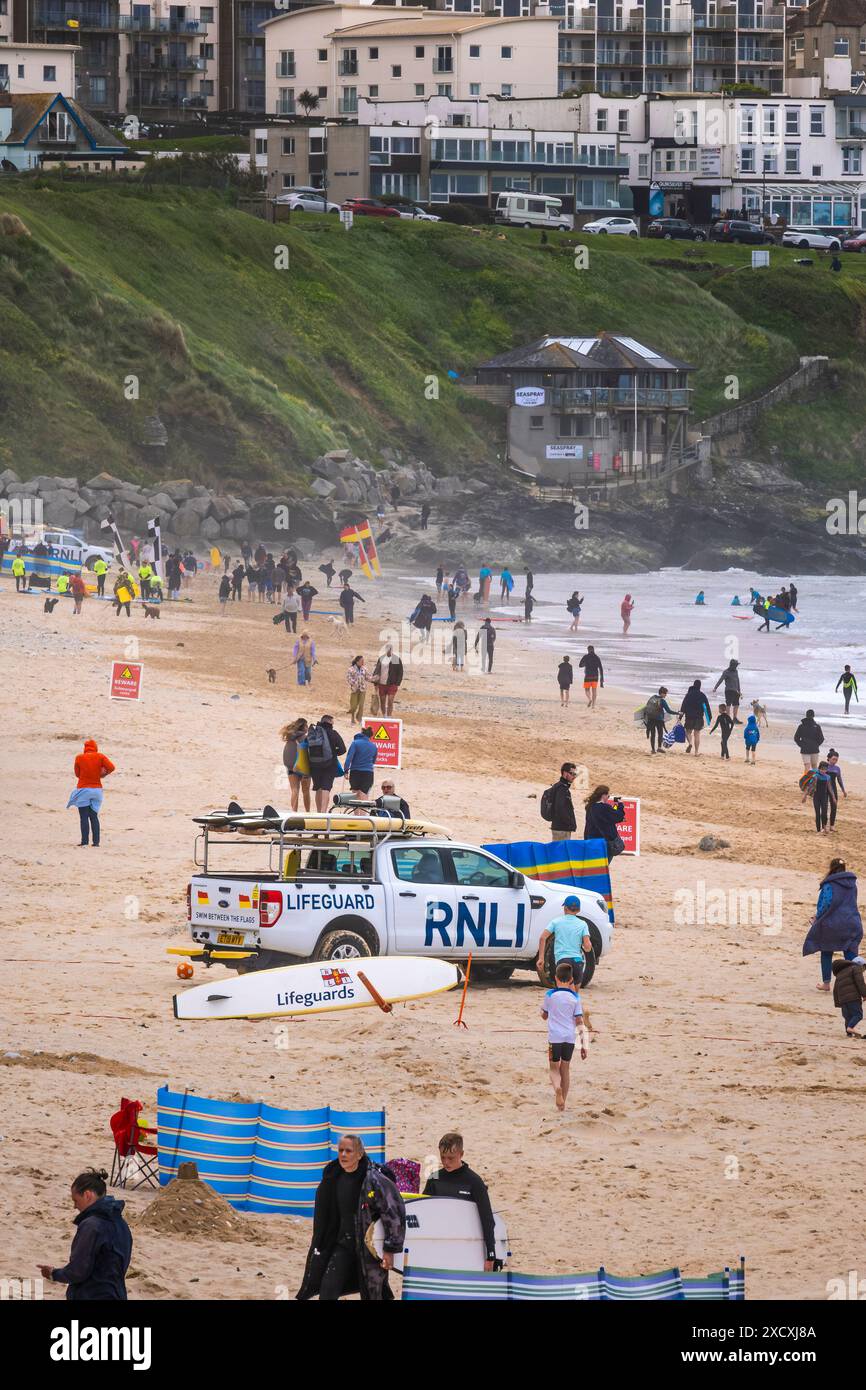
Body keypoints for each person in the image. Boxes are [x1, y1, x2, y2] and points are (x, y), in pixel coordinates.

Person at [296, 1134, 405, 1302]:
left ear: (360, 1154)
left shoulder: (374, 1180)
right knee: (327, 1290)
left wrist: (390, 1249)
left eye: (348, 1151)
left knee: (373, 1294)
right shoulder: (332, 1178)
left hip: (369, 1249)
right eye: (340, 1150)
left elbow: (393, 1212)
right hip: (342, 1244)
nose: (343, 1155)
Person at [38, 1169, 132, 1300]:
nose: (74, 1206)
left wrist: (53, 1274)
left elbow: (78, 1270)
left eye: (76, 1200)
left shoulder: (92, 1225)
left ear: (87, 1195)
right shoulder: (122, 1224)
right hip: (117, 1293)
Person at [422, 1133, 497, 1270]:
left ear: (461, 1154)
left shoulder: (474, 1182)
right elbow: (424, 1213)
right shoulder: (434, 1178)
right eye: (443, 1157)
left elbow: (487, 1219)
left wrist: (490, 1255)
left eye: (451, 1158)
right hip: (440, 1246)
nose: (446, 1162)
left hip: (468, 1246)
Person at [803, 858, 862, 993]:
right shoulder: (852, 884)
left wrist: (817, 917)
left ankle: (826, 983)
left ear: (831, 868)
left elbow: (827, 903)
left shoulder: (829, 884)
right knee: (850, 954)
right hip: (852, 922)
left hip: (833, 924)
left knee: (826, 951)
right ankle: (857, 985)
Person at [541, 961, 587, 1112]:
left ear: (556, 977)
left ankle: (557, 1090)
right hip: (569, 1038)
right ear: (571, 979)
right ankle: (563, 1104)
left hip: (555, 1037)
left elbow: (544, 1016)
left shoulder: (550, 995)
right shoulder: (575, 998)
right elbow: (579, 1021)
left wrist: (543, 1012)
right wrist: (583, 1044)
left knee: (554, 1069)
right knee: (565, 1069)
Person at [537, 895, 593, 989]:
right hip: (577, 962)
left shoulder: (556, 922)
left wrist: (541, 958)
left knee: (563, 991)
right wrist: (585, 946)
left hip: (562, 961)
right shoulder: (583, 924)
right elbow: (587, 947)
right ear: (578, 910)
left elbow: (542, 938)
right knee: (575, 996)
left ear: (565, 908)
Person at [67, 739, 115, 847]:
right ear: (95, 747)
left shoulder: (79, 758)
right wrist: (102, 774)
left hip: (83, 789)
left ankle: (84, 842)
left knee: (84, 816)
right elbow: (112, 767)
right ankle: (96, 842)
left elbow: (77, 774)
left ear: (85, 748)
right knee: (94, 816)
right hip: (97, 790)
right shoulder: (100, 756)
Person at [309, 715, 347, 812]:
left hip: (314, 764)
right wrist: (334, 753)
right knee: (326, 788)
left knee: (318, 787)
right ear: (330, 723)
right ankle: (323, 812)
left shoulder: (314, 732)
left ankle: (318, 811)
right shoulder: (333, 733)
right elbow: (343, 749)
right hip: (329, 764)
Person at [584, 785, 626, 857]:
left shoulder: (590, 807)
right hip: (604, 841)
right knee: (603, 865)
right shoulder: (604, 807)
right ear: (603, 795)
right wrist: (620, 805)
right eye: (608, 796)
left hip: (591, 840)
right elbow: (618, 815)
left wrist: (615, 806)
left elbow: (611, 815)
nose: (608, 798)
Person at [281, 718, 311, 812]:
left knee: (294, 790)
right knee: (306, 791)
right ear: (304, 727)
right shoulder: (306, 738)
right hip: (303, 767)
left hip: (290, 767)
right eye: (306, 726)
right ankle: (307, 812)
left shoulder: (290, 738)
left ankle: (294, 812)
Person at [832, 956, 866, 1038]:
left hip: (842, 999)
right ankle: (850, 1028)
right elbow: (860, 982)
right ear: (862, 965)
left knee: (848, 1017)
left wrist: (838, 1002)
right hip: (853, 997)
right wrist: (865, 994)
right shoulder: (856, 968)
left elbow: (835, 988)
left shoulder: (841, 972)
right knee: (858, 1014)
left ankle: (849, 1034)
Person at [679, 679, 712, 755]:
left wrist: (680, 717)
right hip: (699, 717)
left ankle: (690, 743)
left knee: (688, 732)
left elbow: (683, 706)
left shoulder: (688, 694)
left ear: (693, 685)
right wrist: (709, 718)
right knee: (697, 734)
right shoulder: (702, 695)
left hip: (689, 717)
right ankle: (696, 752)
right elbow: (706, 707)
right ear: (700, 686)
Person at [803, 760, 835, 833]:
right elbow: (809, 786)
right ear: (819, 768)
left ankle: (824, 827)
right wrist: (805, 796)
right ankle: (818, 830)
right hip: (816, 797)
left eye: (825, 769)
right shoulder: (815, 776)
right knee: (817, 813)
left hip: (824, 797)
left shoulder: (828, 777)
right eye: (822, 769)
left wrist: (833, 797)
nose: (823, 771)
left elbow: (830, 788)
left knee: (824, 813)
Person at [344, 725, 378, 794]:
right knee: (364, 795)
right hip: (368, 772)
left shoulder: (355, 743)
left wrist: (346, 771)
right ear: (370, 736)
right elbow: (373, 761)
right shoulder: (374, 746)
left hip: (355, 772)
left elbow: (349, 758)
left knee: (355, 795)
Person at [372, 644, 403, 716]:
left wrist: (397, 683)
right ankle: (384, 715)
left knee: (390, 700)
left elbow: (400, 672)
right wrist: (375, 683)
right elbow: (377, 670)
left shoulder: (396, 659)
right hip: (382, 683)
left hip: (392, 684)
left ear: (391, 650)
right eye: (387, 650)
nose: (388, 651)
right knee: (382, 701)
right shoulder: (381, 658)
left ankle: (389, 716)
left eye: (390, 650)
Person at [644, 686, 676, 754]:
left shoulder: (653, 698)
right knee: (660, 733)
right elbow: (668, 711)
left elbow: (647, 707)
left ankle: (653, 749)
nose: (665, 695)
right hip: (659, 719)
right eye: (665, 693)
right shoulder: (662, 701)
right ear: (662, 693)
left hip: (651, 719)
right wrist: (677, 713)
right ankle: (659, 748)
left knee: (653, 734)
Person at [713, 659, 742, 723]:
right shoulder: (726, 672)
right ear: (732, 665)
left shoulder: (736, 671)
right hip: (728, 691)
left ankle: (734, 718)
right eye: (735, 665)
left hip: (735, 691)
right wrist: (715, 687)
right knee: (728, 704)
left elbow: (737, 681)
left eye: (737, 665)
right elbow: (721, 680)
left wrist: (739, 690)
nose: (736, 666)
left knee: (736, 704)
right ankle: (728, 719)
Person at [346, 655, 370, 725]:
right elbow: (348, 678)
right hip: (354, 690)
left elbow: (368, 677)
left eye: (363, 661)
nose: (363, 662)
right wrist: (354, 684)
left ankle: (359, 719)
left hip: (362, 689)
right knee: (353, 705)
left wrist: (375, 678)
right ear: (357, 662)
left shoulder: (364, 669)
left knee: (361, 705)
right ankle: (352, 718)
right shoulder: (351, 669)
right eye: (361, 661)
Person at [827, 750, 846, 828]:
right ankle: (824, 825)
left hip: (833, 788)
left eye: (836, 760)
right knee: (824, 808)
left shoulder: (837, 768)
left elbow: (839, 779)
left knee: (834, 807)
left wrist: (843, 790)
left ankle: (832, 825)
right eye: (833, 759)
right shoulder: (824, 766)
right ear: (828, 758)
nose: (835, 761)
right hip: (824, 788)